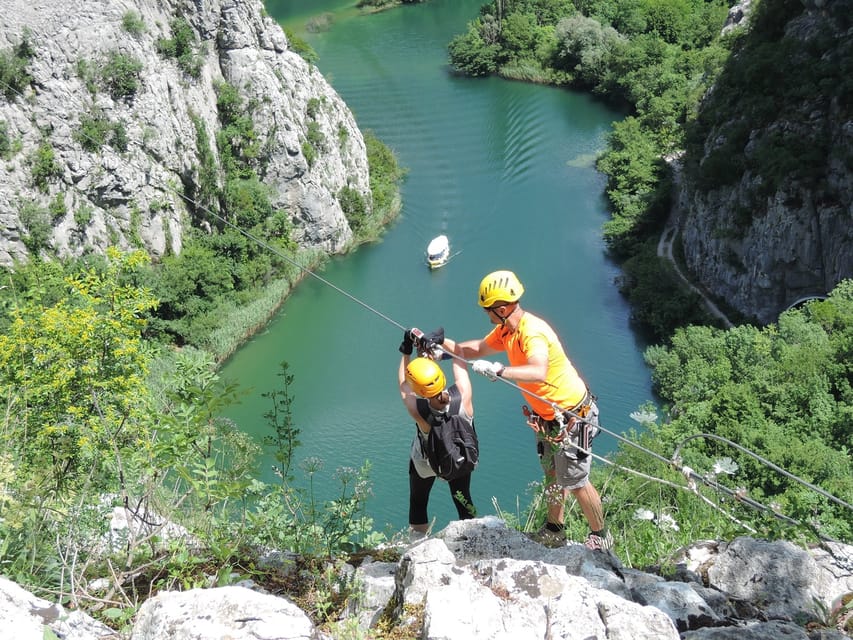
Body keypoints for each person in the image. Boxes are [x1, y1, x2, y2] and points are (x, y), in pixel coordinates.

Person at [455, 270, 613, 551]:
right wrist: (443, 348)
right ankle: (554, 530)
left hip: (575, 419)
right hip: (550, 421)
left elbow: (538, 370)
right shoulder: (506, 330)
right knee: (553, 475)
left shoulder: (532, 333)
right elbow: (477, 348)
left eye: (489, 310)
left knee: (576, 481)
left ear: (502, 309)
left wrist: (500, 370)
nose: (487, 315)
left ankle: (602, 537)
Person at [398, 328, 476, 540]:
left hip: (425, 464)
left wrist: (406, 351)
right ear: (441, 377)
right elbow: (460, 354)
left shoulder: (417, 409)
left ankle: (417, 541)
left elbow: (404, 384)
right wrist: (441, 341)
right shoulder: (464, 396)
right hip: (458, 459)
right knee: (462, 497)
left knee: (418, 500)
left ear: (420, 391)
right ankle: (472, 536)